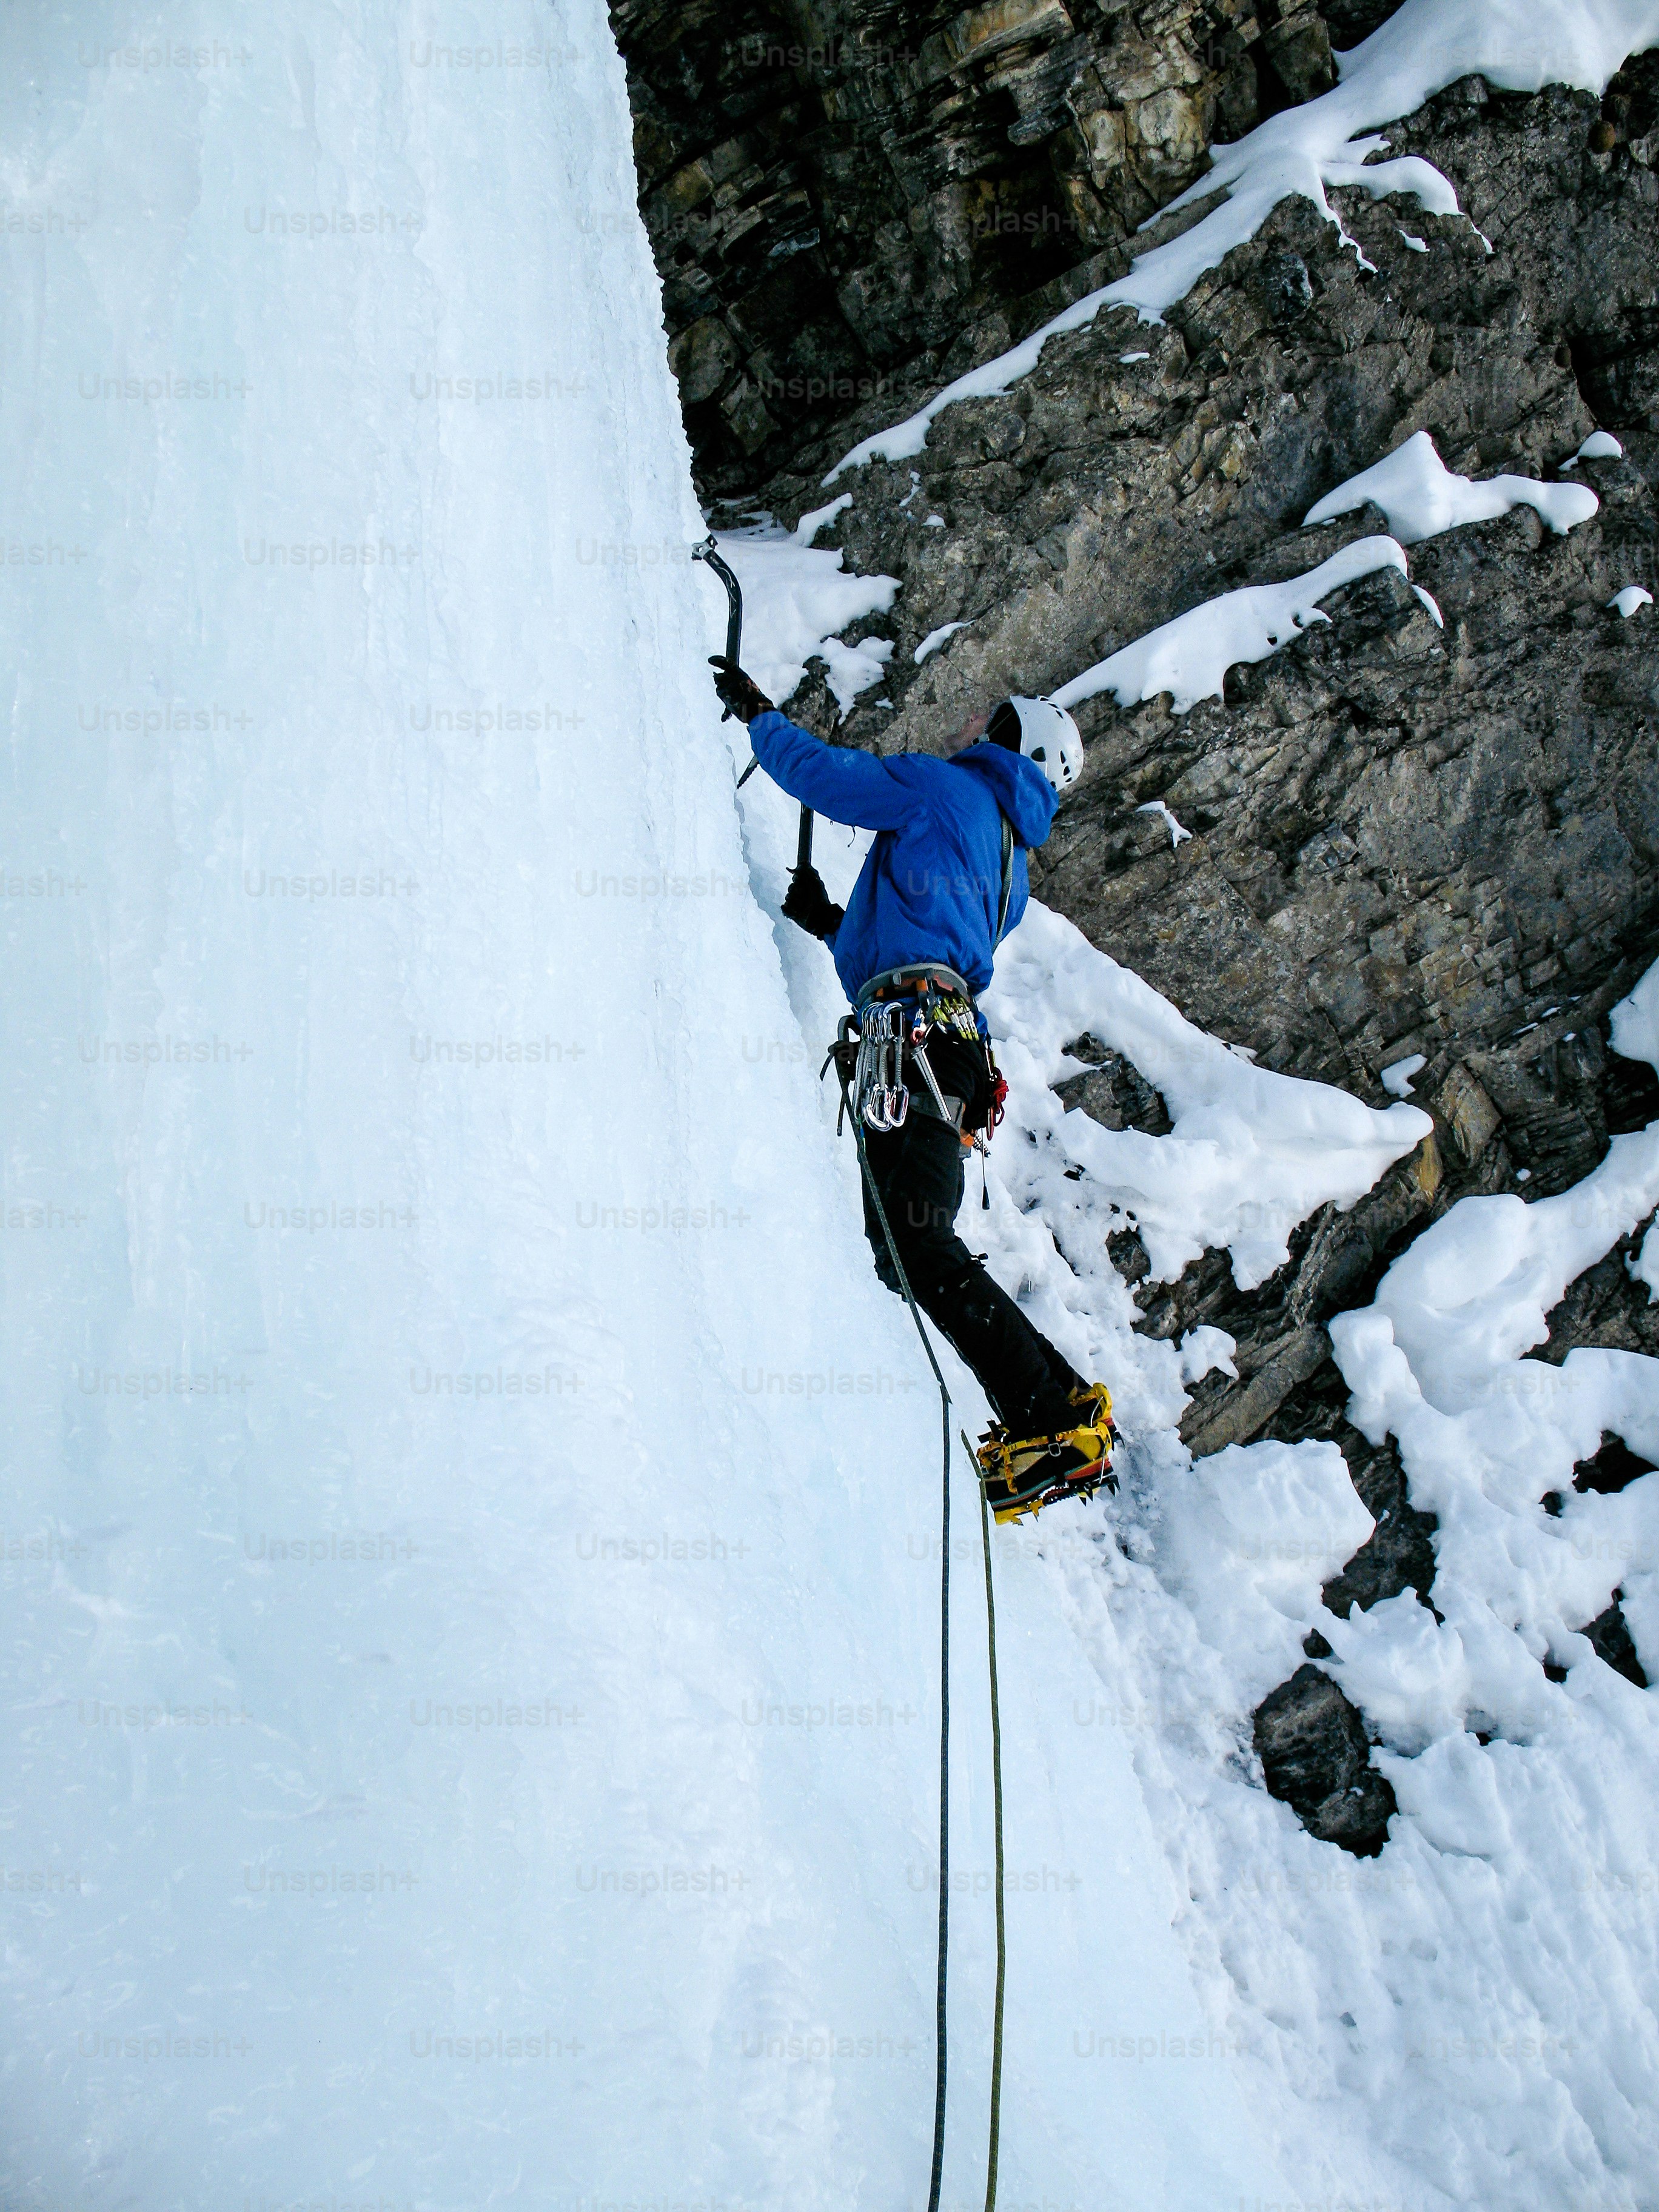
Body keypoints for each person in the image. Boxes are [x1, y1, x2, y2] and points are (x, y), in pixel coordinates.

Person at [709, 654, 1115, 1523]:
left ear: (1015, 743)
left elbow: (826, 778)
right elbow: (917, 939)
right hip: (943, 1044)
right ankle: (1054, 1409)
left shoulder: (942, 792)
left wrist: (759, 716)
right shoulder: (1012, 873)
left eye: (991, 724)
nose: (975, 730)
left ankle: (1052, 1415)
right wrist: (833, 926)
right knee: (903, 1251)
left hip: (915, 1042)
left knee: (917, 1250)